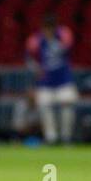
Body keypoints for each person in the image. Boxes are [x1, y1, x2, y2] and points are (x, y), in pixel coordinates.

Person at [25, 14, 77, 144]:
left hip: (64, 80)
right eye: (46, 29)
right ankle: (51, 137)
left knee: (67, 105)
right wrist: (35, 69)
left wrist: (55, 39)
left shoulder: (63, 34)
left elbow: (68, 42)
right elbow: (28, 57)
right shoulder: (36, 40)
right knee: (44, 107)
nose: (48, 31)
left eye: (50, 28)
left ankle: (66, 137)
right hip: (45, 82)